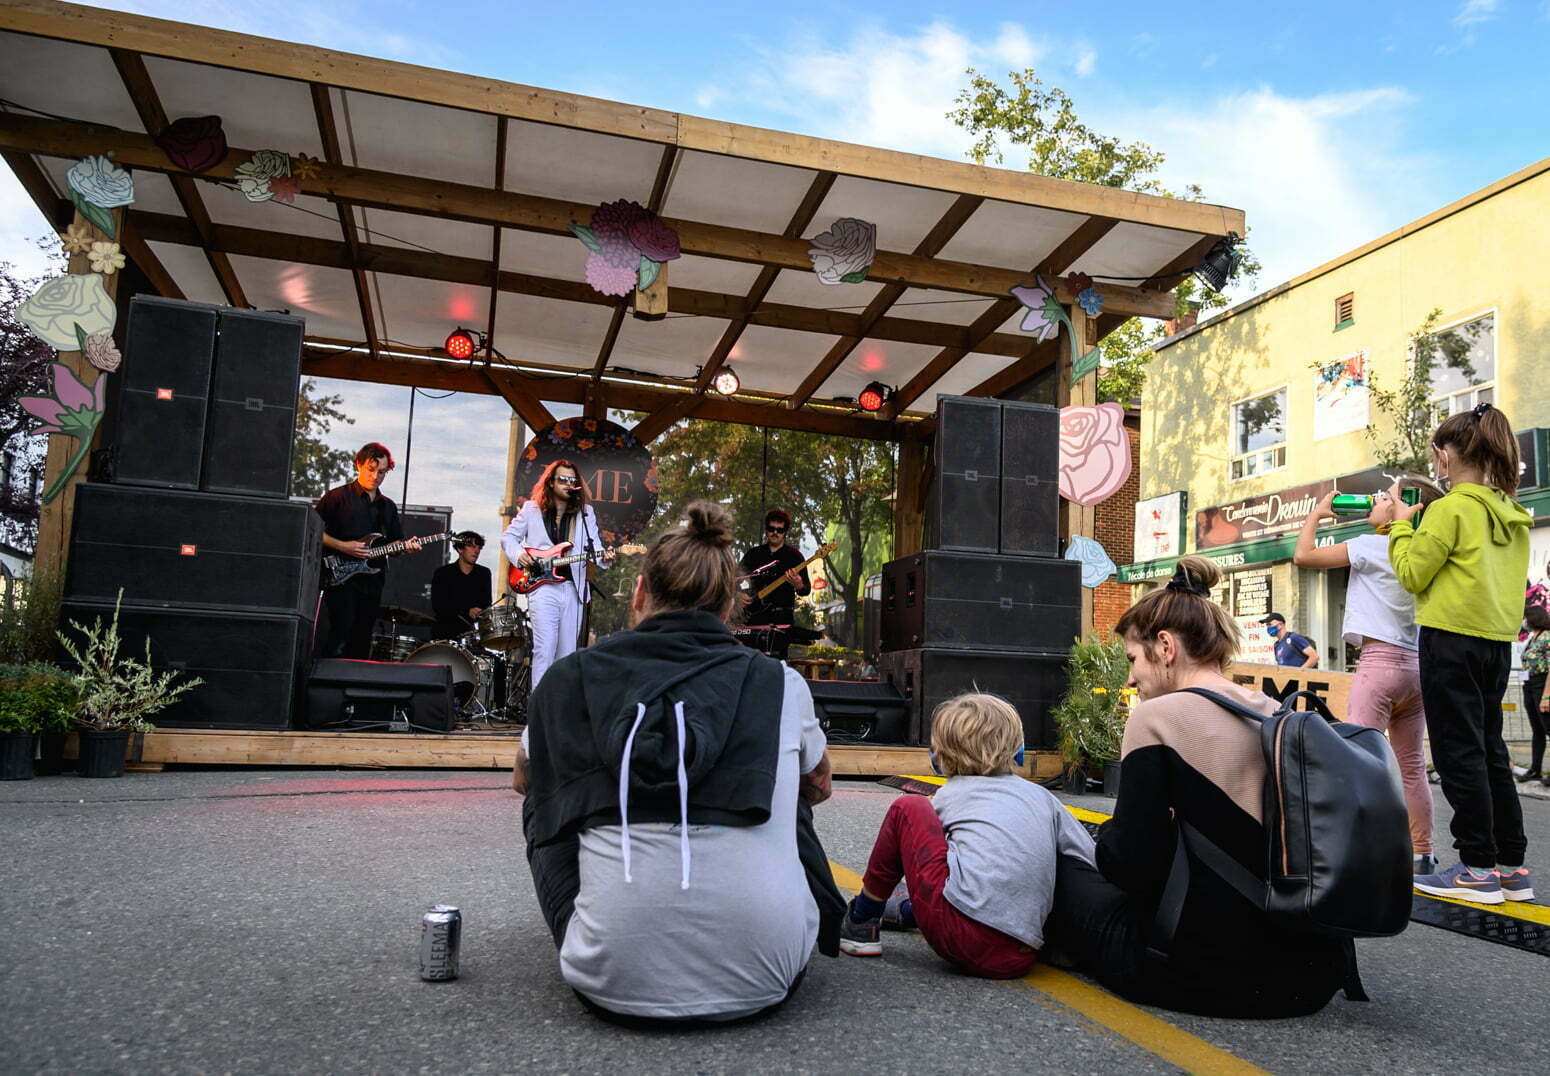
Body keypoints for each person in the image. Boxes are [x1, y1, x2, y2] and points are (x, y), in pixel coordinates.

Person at [513, 502, 845, 1025]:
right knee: (788, 786)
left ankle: (615, 924)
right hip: (767, 976)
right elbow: (819, 786)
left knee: (541, 795)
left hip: (611, 982)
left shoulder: (568, 678)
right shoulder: (779, 683)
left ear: (640, 592)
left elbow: (523, 778)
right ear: (729, 607)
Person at [1044, 556, 1352, 1018]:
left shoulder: (1156, 717)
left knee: (1061, 870)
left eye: (1133, 659)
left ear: (1166, 646)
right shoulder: (1275, 712)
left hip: (1205, 975)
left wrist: (1104, 839)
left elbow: (1131, 866)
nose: (1130, 678)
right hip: (1312, 978)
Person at [839, 693, 1096, 978]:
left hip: (961, 938)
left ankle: (862, 919)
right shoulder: (1044, 798)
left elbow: (924, 857)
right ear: (1019, 749)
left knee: (908, 809)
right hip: (1021, 954)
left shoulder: (950, 794)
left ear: (938, 757)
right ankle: (907, 911)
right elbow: (1089, 857)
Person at [1389, 403, 1534, 905]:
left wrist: (1400, 527)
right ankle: (1510, 867)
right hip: (1495, 643)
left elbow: (1413, 574)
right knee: (1490, 751)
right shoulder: (1512, 514)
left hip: (1450, 638)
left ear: (1445, 456)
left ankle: (1476, 869)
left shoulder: (1449, 509)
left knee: (1458, 753)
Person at [1292, 480, 1444, 874]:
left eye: (1384, 496)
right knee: (1411, 766)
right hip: (1416, 667)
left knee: (1357, 761)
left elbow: (1303, 555)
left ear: (1404, 508)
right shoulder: (1425, 552)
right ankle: (1422, 853)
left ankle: (1360, 854)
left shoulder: (1370, 546)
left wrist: (1317, 513)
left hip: (1378, 664)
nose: (1375, 500)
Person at [501, 459, 609, 688]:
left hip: (573, 588)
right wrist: (519, 554)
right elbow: (508, 537)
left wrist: (605, 557)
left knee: (567, 654)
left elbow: (596, 549)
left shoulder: (585, 512)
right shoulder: (532, 509)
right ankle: (538, 707)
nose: (568, 484)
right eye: (563, 479)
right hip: (543, 587)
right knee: (545, 647)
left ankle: (558, 705)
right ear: (551, 482)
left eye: (572, 480)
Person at [314, 443, 421, 659]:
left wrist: (405, 548)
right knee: (338, 637)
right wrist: (343, 546)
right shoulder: (337, 497)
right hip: (340, 580)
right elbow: (312, 531)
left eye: (381, 472)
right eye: (371, 470)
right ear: (359, 465)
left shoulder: (387, 507)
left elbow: (394, 546)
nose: (375, 476)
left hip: (372, 583)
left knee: (361, 642)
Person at [739, 509, 810, 627]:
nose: (775, 533)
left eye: (780, 530)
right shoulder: (753, 554)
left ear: (785, 532)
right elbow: (735, 579)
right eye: (771, 529)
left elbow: (806, 590)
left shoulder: (795, 556)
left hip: (782, 619)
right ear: (766, 530)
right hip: (752, 619)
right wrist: (737, 594)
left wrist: (799, 585)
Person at [430, 531, 491, 639]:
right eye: (472, 546)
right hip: (445, 635)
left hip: (473, 636)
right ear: (460, 549)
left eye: (479, 548)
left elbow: (486, 603)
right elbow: (438, 605)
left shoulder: (484, 573)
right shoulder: (443, 573)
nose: (476, 551)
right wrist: (467, 611)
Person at [1519, 604, 1550, 785]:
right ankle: (1535, 769)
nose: (1524, 622)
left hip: (1542, 684)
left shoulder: (1547, 637)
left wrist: (1546, 696)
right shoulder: (1533, 638)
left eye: (1525, 617)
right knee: (1537, 730)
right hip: (1529, 685)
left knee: (1548, 727)